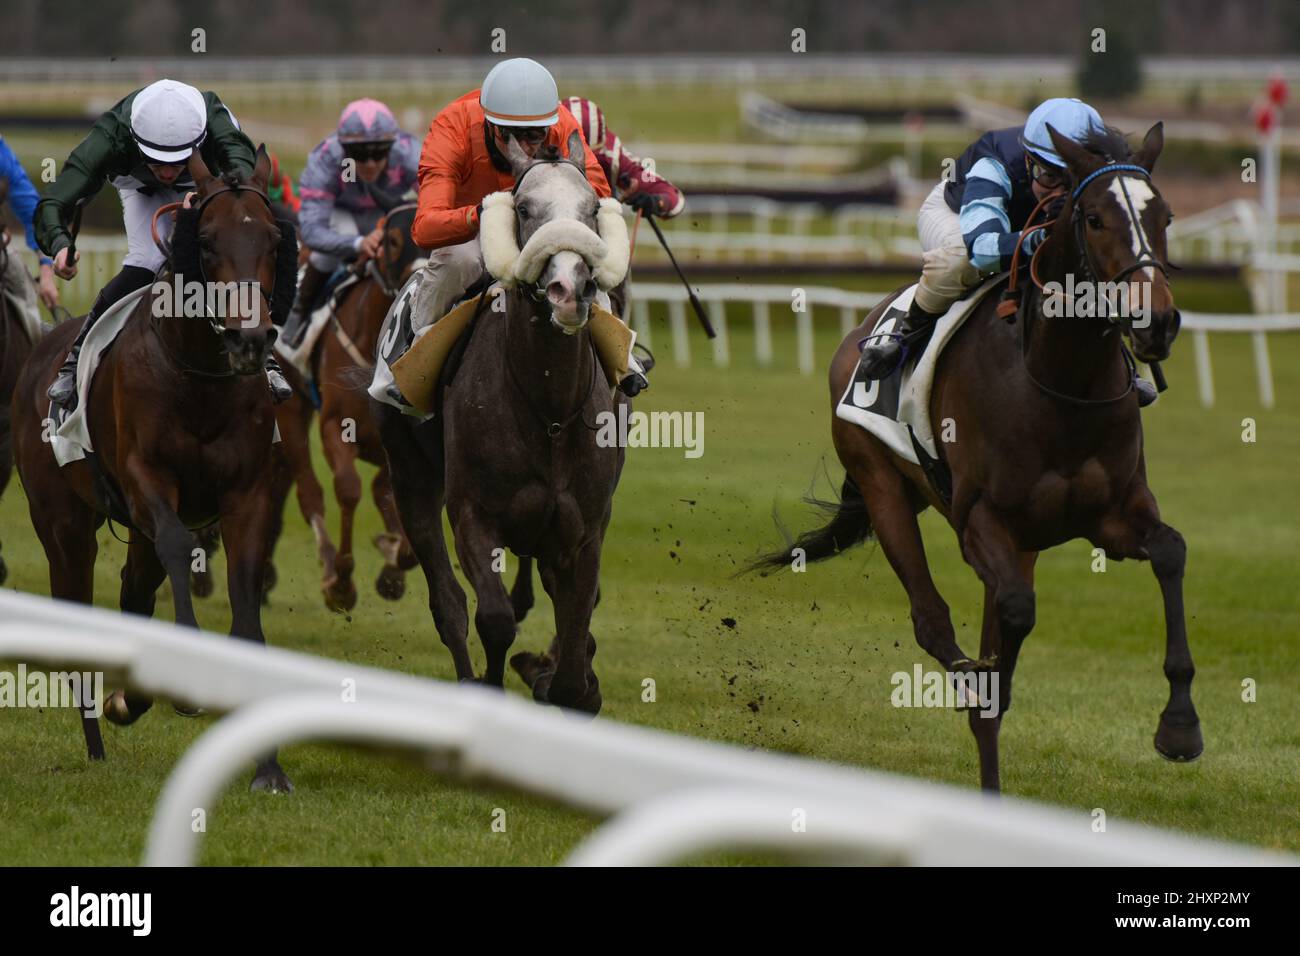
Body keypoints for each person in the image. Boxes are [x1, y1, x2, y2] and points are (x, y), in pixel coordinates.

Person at [859, 96, 1158, 406]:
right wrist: (1039, 239)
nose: (1059, 192)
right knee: (959, 261)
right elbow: (983, 250)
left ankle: (1122, 363)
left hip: (1025, 227)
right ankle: (905, 337)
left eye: (1070, 181)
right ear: (1028, 162)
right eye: (1049, 177)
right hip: (957, 215)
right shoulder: (994, 165)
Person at [36, 78, 291, 409]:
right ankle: (75, 359)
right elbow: (53, 203)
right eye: (158, 161)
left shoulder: (216, 121)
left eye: (176, 161)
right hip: (139, 188)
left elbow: (245, 184)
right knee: (146, 261)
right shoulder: (110, 135)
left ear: (198, 141)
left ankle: (264, 357)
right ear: (135, 142)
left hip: (207, 182)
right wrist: (58, 244)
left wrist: (209, 201)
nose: (168, 173)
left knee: (232, 250)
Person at [404, 57, 652, 397]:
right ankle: (416, 356)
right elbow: (424, 228)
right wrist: (486, 213)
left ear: (548, 125)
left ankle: (621, 356)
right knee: (459, 262)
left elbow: (596, 194)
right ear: (489, 124)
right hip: (472, 233)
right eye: (510, 135)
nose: (523, 146)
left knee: (581, 263)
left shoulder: (562, 124)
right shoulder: (452, 126)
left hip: (541, 229)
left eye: (534, 135)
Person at [278, 98, 420, 349]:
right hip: (341, 212)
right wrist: (357, 243)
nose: (370, 163)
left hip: (387, 209)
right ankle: (299, 313)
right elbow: (311, 230)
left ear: (393, 147)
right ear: (343, 150)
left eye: (379, 153)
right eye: (359, 155)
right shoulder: (326, 158)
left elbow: (436, 204)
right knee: (326, 256)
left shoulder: (410, 154)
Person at [563, 96, 684, 220]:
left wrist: (657, 202)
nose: (583, 166)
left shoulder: (612, 156)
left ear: (602, 146)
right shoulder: (542, 148)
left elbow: (675, 199)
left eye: (591, 158)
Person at [0, 133, 61, 330]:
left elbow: (33, 215)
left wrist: (46, 271)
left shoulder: (2, 156)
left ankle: (33, 340)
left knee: (20, 281)